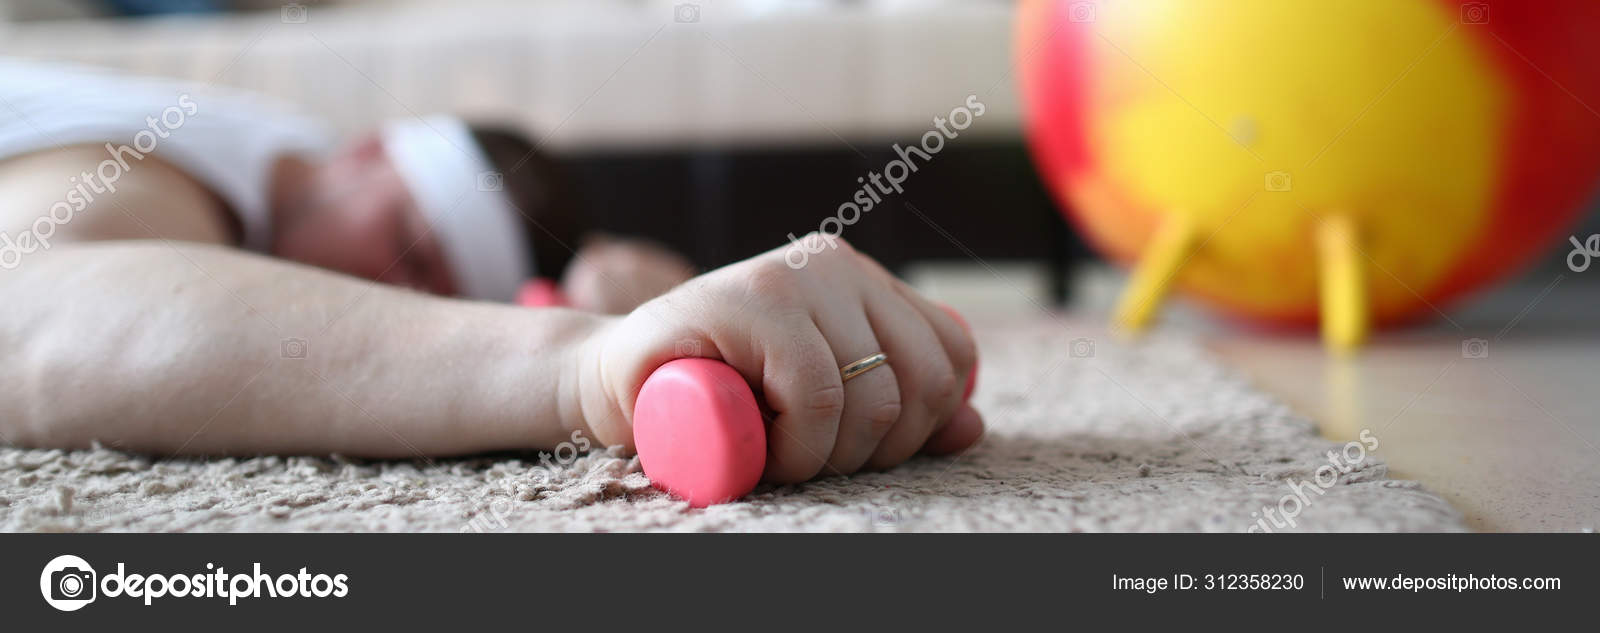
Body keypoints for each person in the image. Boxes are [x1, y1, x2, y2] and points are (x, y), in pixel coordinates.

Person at [0, 60, 982, 485]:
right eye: (412, 251)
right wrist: (583, 367)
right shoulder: (184, 164)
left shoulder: (258, 172)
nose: (388, 294)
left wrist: (654, 307)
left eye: (426, 294)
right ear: (367, 155)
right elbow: (28, 315)